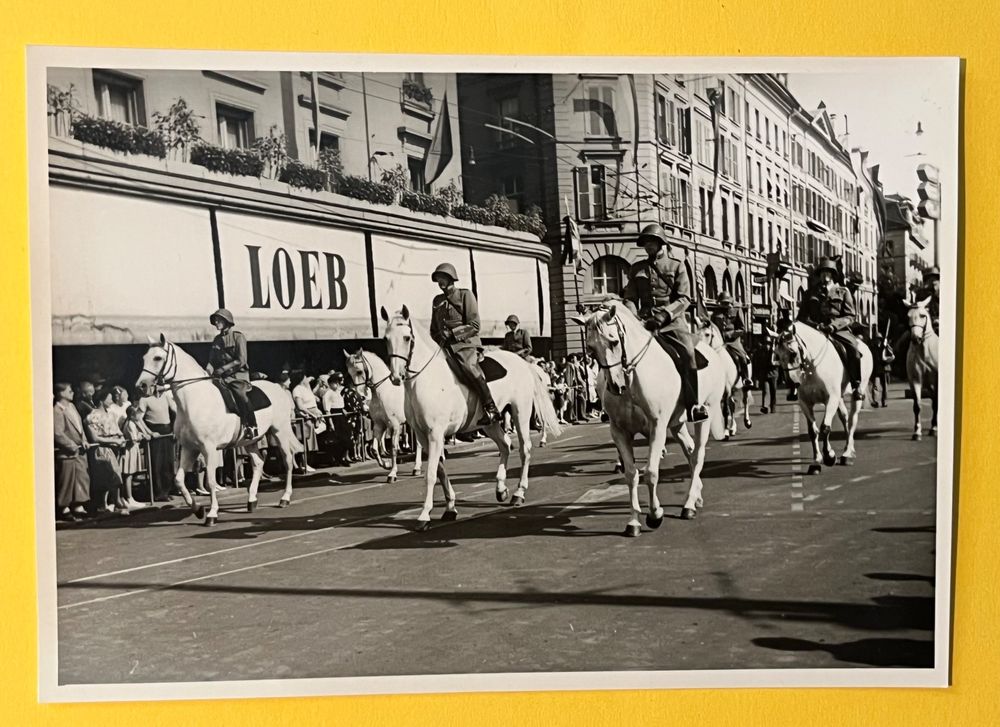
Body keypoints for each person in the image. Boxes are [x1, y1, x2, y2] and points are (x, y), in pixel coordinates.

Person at [622, 223, 709, 422]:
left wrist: (664, 315)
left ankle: (694, 405)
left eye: (652, 242)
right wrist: (634, 318)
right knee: (622, 353)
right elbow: (629, 298)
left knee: (688, 353)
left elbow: (684, 298)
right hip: (644, 322)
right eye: (646, 243)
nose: (649, 246)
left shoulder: (676, 266)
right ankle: (617, 402)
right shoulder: (637, 269)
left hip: (671, 322)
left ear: (661, 243)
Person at [429, 262, 501, 425]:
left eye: (442, 278)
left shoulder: (465, 295)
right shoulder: (437, 301)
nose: (440, 282)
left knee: (469, 367)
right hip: (445, 347)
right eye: (438, 279)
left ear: (450, 278)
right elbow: (434, 328)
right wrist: (437, 338)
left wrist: (453, 333)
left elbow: (474, 326)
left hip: (465, 345)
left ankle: (491, 408)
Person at [797, 257, 866, 400]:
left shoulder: (843, 291)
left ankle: (856, 384)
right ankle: (795, 386)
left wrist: (833, 327)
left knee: (853, 349)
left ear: (833, 275)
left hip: (838, 330)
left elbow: (850, 316)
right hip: (815, 331)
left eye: (828, 273)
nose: (824, 276)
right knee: (796, 350)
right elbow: (802, 317)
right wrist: (814, 325)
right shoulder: (810, 293)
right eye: (822, 273)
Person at [206, 308, 257, 439]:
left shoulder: (238, 337)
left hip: (238, 377)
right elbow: (211, 361)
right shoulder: (216, 340)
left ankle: (251, 425)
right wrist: (207, 372)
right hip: (222, 378)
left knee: (240, 393)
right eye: (215, 321)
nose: (216, 323)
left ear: (227, 321)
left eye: (218, 320)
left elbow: (241, 360)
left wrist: (223, 369)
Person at [85, 386, 128, 515]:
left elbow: (116, 430)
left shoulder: (109, 415)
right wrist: (113, 441)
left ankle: (113, 503)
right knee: (111, 476)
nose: (111, 401)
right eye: (109, 399)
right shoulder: (93, 416)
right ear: (102, 400)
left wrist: (120, 439)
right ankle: (112, 503)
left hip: (114, 449)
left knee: (114, 476)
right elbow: (95, 438)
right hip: (103, 450)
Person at [53, 382, 91, 521]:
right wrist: (71, 445)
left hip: (80, 451)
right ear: (61, 393)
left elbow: (79, 428)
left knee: (81, 478)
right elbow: (58, 433)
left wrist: (84, 441)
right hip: (68, 453)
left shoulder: (72, 407)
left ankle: (78, 505)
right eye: (69, 390)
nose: (72, 392)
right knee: (67, 480)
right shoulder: (57, 411)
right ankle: (64, 507)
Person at [138, 388, 175, 501]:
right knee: (157, 464)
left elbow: (176, 410)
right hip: (155, 432)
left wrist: (176, 428)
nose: (161, 387)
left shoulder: (166, 397)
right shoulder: (144, 399)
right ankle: (158, 493)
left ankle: (167, 490)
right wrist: (149, 432)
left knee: (168, 463)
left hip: (167, 431)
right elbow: (138, 418)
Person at [710, 291, 751, 388]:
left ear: (731, 302)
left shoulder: (736, 310)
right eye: (723, 303)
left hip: (733, 341)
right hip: (719, 341)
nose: (725, 305)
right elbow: (711, 326)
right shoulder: (716, 313)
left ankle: (746, 378)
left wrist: (730, 334)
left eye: (727, 303)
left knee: (742, 357)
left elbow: (742, 329)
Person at [120, 405, 151, 509]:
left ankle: (129, 497)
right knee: (128, 475)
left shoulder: (131, 423)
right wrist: (142, 435)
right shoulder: (130, 424)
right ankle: (129, 497)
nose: (139, 415)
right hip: (130, 451)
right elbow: (133, 439)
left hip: (132, 450)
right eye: (137, 413)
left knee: (130, 475)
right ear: (132, 415)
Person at [753, 332, 778, 413]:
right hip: (764, 374)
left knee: (773, 391)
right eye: (765, 343)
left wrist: (775, 363)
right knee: (765, 390)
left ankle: (773, 406)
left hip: (773, 374)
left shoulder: (775, 351)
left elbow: (781, 362)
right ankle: (765, 406)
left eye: (768, 343)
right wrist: (756, 377)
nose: (767, 345)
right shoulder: (760, 352)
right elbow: (756, 364)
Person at [870, 330, 892, 407]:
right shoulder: (872, 348)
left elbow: (891, 355)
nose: (878, 340)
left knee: (885, 387)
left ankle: (884, 401)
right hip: (875, 370)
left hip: (884, 369)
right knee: (876, 386)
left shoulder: (884, 347)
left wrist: (887, 346)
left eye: (879, 339)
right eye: (876, 339)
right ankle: (875, 402)